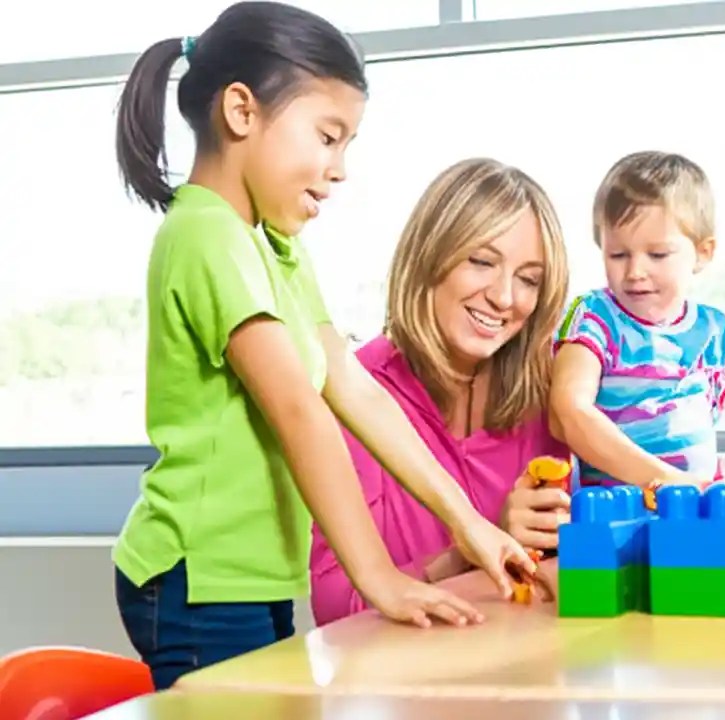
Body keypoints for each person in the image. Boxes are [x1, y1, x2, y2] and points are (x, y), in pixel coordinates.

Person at [110, 1, 533, 690]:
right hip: (199, 576)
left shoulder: (273, 247)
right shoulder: (205, 236)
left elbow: (351, 388)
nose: (339, 170)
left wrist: (467, 523)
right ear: (241, 112)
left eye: (348, 145)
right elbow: (300, 409)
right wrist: (379, 577)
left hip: (248, 575)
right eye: (328, 136)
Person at [310, 158, 571, 626]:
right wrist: (473, 547)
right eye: (482, 262)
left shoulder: (551, 391)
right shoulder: (357, 391)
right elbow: (336, 607)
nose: (505, 298)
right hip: (404, 681)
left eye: (529, 279)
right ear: (432, 255)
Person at [551, 151, 725, 489]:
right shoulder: (594, 317)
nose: (635, 272)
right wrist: (669, 481)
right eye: (618, 255)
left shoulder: (714, 329)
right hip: (614, 515)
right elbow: (568, 410)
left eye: (657, 255)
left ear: (703, 252)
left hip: (700, 510)